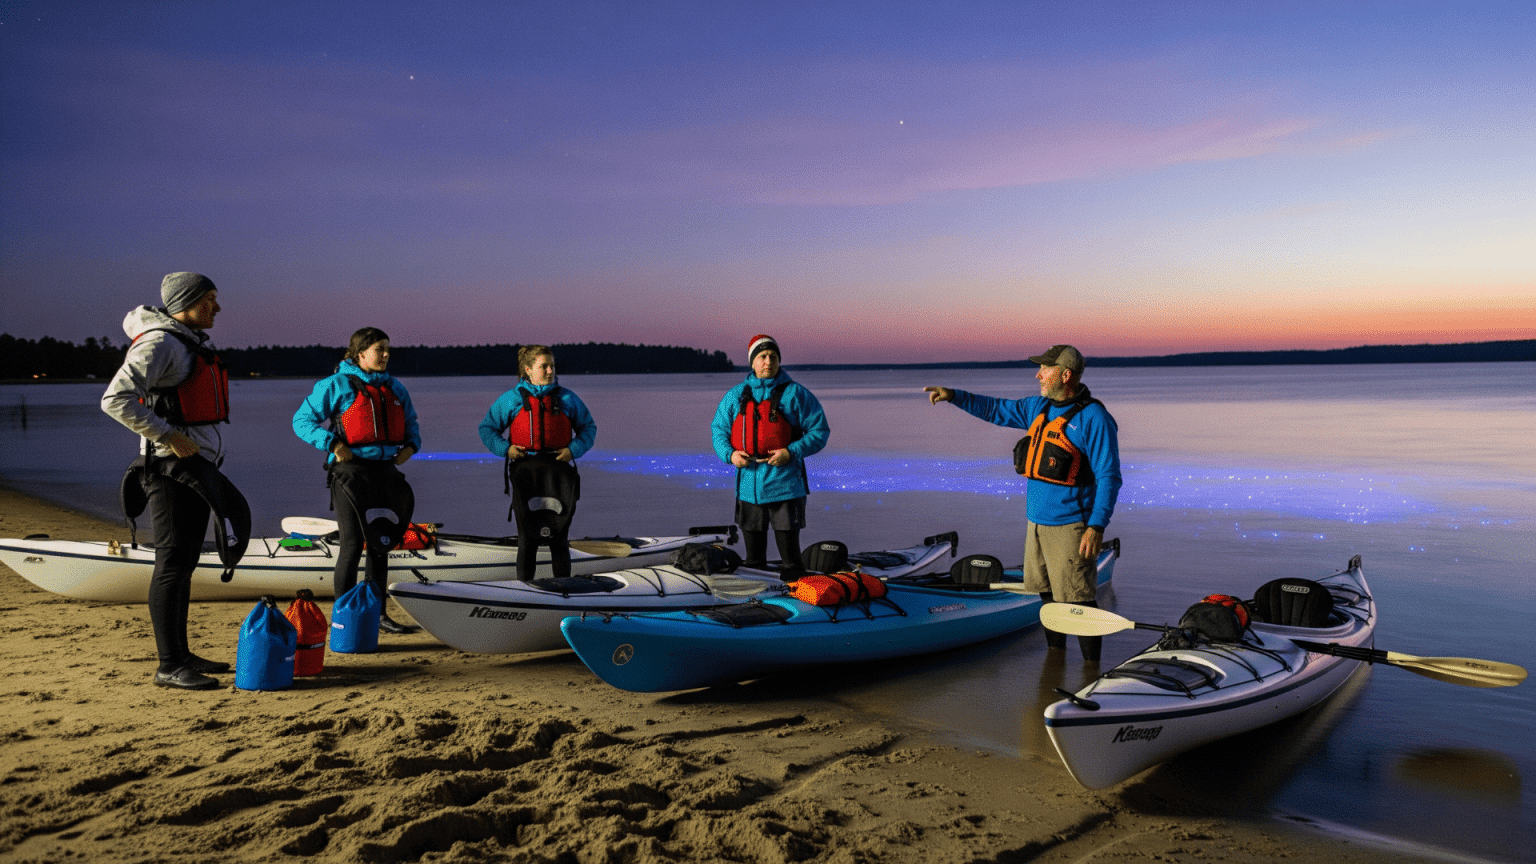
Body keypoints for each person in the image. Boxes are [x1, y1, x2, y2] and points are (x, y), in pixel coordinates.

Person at [924, 344, 1121, 661]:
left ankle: (1091, 672)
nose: (1038, 375)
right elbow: (995, 410)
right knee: (1046, 595)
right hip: (1036, 524)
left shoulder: (1094, 418)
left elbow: (1109, 476)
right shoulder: (1037, 408)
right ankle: (1055, 661)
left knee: (1079, 601)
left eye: (1045, 369)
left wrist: (1096, 526)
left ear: (1066, 375)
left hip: (1072, 525)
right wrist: (955, 396)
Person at [101, 272, 248, 690]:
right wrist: (169, 435)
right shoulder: (160, 342)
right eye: (209, 299)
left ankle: (182, 655)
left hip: (193, 468)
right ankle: (168, 666)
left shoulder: (183, 342)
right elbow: (114, 399)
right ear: (184, 302)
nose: (217, 307)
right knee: (171, 566)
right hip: (168, 470)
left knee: (185, 563)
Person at [292, 328, 422, 633]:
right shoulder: (336, 384)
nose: (386, 354)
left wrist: (411, 446)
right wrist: (332, 443)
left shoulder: (395, 387)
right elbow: (301, 420)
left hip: (385, 472)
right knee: (351, 545)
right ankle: (345, 618)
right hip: (350, 473)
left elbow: (412, 423)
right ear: (360, 353)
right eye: (379, 349)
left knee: (380, 545)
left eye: (388, 349)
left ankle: (378, 616)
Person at [711, 334, 830, 579]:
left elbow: (819, 431)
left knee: (791, 561)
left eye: (773, 357)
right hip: (748, 487)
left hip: (785, 486)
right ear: (752, 362)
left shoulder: (796, 394)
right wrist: (730, 455)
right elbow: (719, 430)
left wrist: (791, 452)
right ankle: (758, 592)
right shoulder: (735, 396)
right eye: (763, 356)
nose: (768, 361)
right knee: (754, 561)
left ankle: (796, 589)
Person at [478, 345, 596, 581]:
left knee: (559, 537)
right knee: (527, 538)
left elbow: (588, 428)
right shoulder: (512, 399)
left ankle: (563, 588)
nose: (551, 371)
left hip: (558, 471)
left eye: (552, 366)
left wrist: (573, 450)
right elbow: (487, 428)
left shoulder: (567, 398)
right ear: (528, 369)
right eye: (544, 366)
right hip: (526, 472)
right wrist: (506, 449)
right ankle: (526, 589)